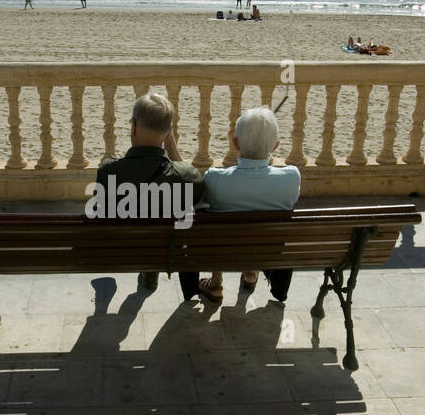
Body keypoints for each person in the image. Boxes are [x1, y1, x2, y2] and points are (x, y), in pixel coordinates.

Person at [96, 93, 204, 299]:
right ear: (168, 132)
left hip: (122, 250)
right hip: (166, 250)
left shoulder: (108, 171)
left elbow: (101, 209)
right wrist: (169, 139)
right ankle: (150, 268)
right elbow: (188, 175)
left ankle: (148, 268)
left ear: (134, 126)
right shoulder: (184, 177)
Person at [196, 106, 300, 306]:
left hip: (226, 251)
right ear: (276, 146)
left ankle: (216, 284)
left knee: (216, 219)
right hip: (266, 252)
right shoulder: (291, 177)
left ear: (235, 143)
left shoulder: (215, 178)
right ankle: (251, 273)